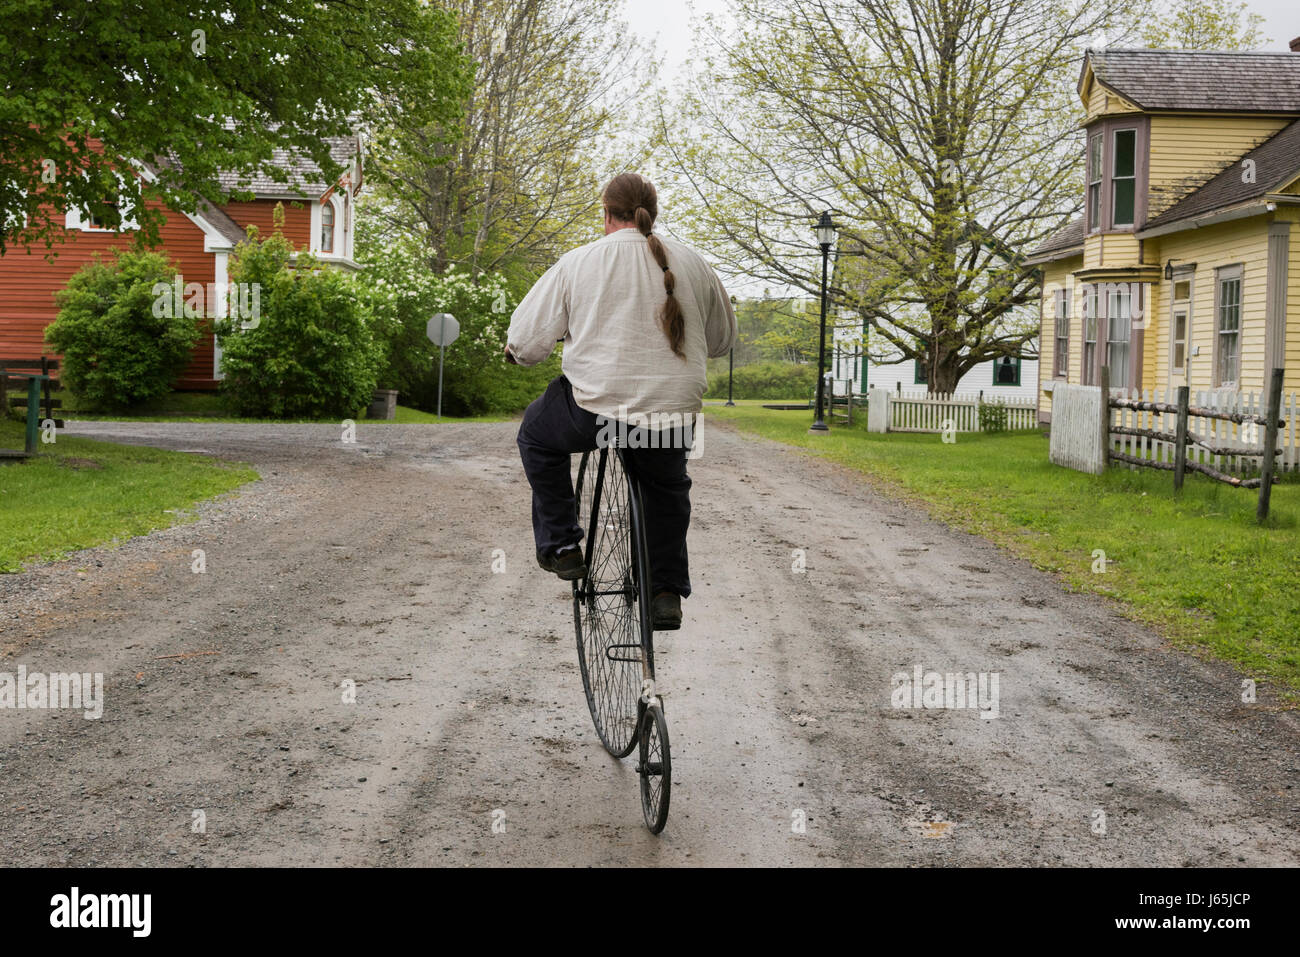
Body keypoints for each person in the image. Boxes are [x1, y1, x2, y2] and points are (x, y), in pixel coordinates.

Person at [505, 172, 737, 630]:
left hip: (593, 414)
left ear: (606, 213)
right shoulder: (694, 263)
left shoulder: (579, 261)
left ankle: (564, 546)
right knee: (665, 486)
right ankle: (665, 590)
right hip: (669, 416)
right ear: (652, 212)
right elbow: (722, 341)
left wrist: (516, 353)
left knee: (536, 434)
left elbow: (528, 345)